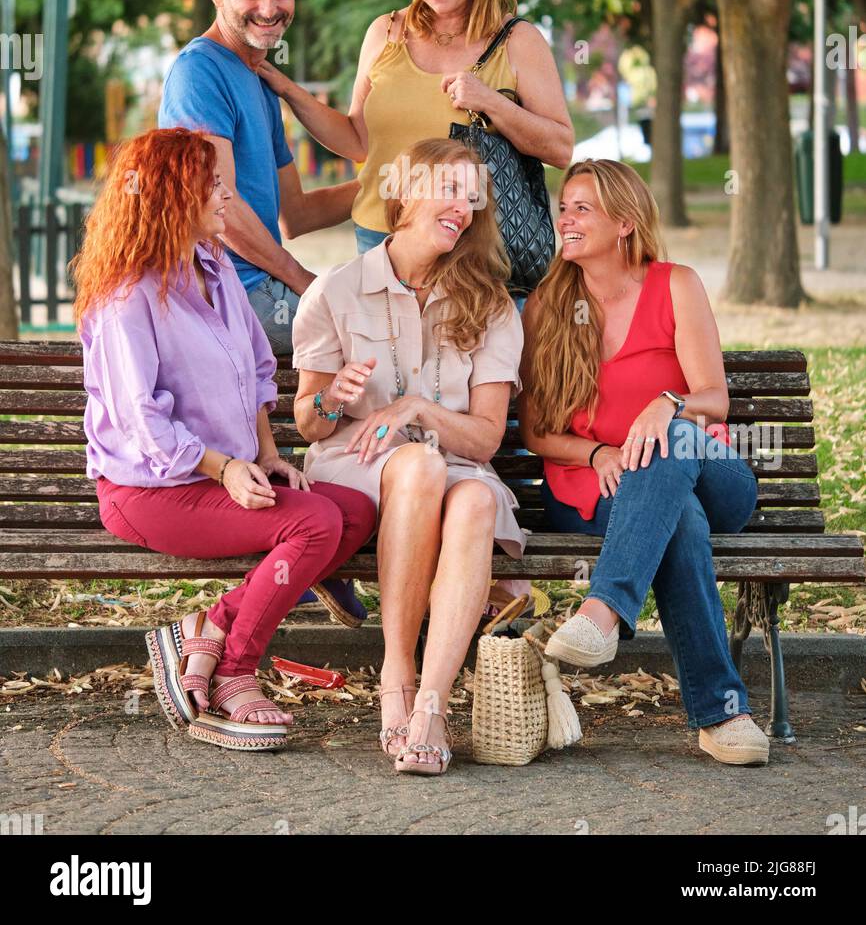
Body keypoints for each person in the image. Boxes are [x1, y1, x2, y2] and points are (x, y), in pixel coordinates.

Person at [73, 128, 376, 752]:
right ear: (172, 195)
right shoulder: (128, 296)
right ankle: (235, 670)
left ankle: (209, 627)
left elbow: (259, 371)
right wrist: (223, 468)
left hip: (220, 476)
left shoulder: (213, 267)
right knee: (315, 524)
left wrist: (266, 454)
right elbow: (142, 421)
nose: (225, 195)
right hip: (151, 490)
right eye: (211, 184)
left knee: (355, 511)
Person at [518, 158, 770, 767]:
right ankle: (722, 715)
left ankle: (602, 609)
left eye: (582, 208)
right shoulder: (548, 305)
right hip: (596, 484)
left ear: (625, 222)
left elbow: (714, 399)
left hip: (707, 471)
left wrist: (668, 404)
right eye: (563, 207)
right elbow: (537, 432)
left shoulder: (675, 284)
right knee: (677, 518)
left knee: (671, 444)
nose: (565, 219)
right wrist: (597, 451)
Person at [291, 137, 526, 775]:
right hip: (358, 465)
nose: (463, 208)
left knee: (475, 500)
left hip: (455, 467)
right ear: (404, 194)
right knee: (419, 465)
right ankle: (396, 674)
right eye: (450, 190)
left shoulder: (490, 303)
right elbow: (310, 424)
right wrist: (334, 399)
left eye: (472, 197)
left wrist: (419, 409)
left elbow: (485, 440)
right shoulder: (336, 290)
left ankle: (431, 705)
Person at [257, 0, 573, 254]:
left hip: (470, 248)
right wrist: (288, 90)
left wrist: (491, 102)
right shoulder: (385, 32)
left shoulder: (518, 41)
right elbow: (357, 141)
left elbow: (560, 149)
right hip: (380, 240)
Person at [159, 0, 359, 355]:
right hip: (231, 296)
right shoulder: (199, 71)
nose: (269, 9)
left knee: (397, 322)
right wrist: (303, 279)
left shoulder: (261, 81)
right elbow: (222, 206)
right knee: (377, 340)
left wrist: (388, 187)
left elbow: (296, 215)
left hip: (263, 288)